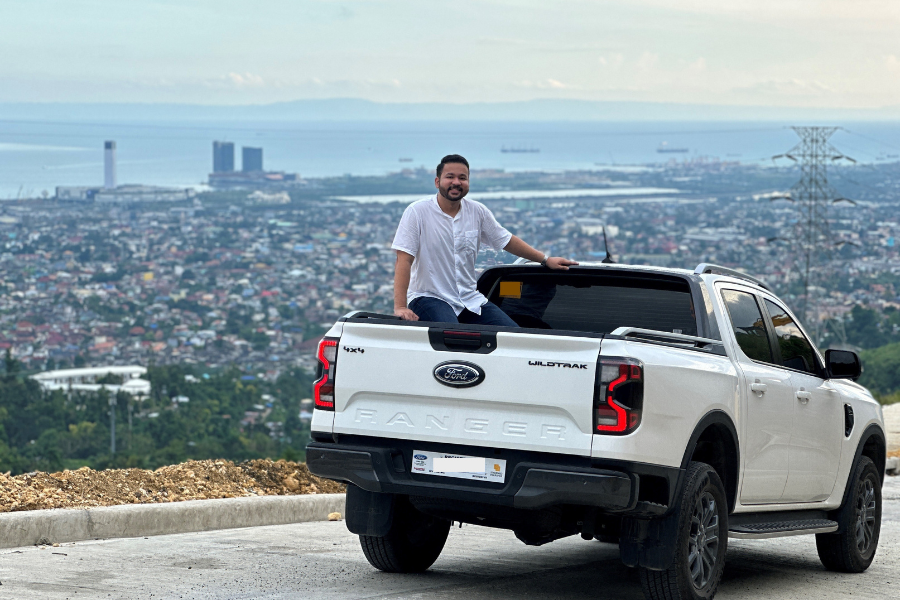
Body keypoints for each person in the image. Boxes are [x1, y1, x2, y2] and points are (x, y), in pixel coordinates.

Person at [391, 154, 578, 324]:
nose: (456, 182)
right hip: (430, 297)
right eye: (450, 177)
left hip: (469, 299)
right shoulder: (417, 212)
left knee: (513, 337)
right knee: (451, 336)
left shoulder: (477, 212)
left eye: (462, 178)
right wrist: (400, 307)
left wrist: (545, 260)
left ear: (468, 182)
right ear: (437, 181)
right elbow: (404, 260)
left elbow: (506, 240)